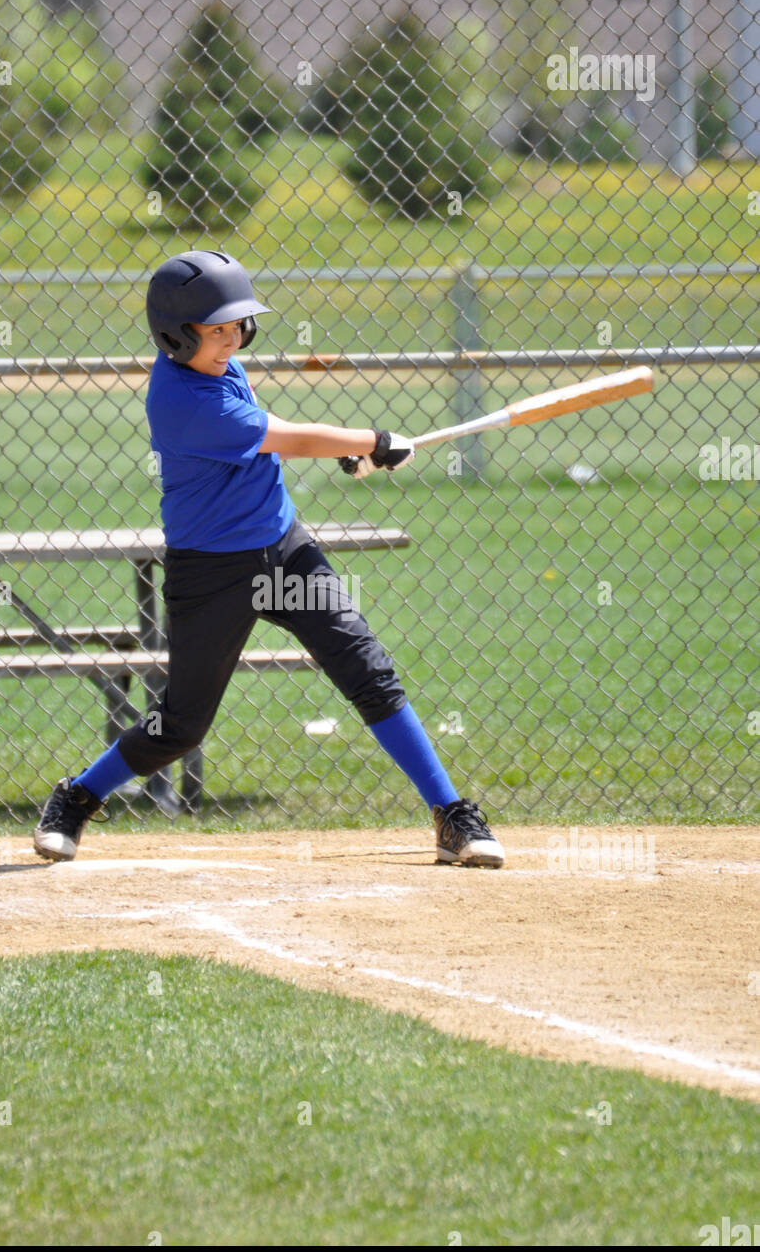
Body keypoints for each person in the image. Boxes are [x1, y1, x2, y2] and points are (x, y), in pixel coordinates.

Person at [33, 250, 504, 868]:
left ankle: (451, 814)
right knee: (181, 725)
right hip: (212, 572)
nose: (232, 338)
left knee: (365, 668)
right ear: (177, 334)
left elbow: (270, 440)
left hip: (284, 555)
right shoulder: (181, 399)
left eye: (238, 326)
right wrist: (374, 441)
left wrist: (355, 455)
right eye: (217, 328)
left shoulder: (220, 366)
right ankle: (78, 796)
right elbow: (287, 437)